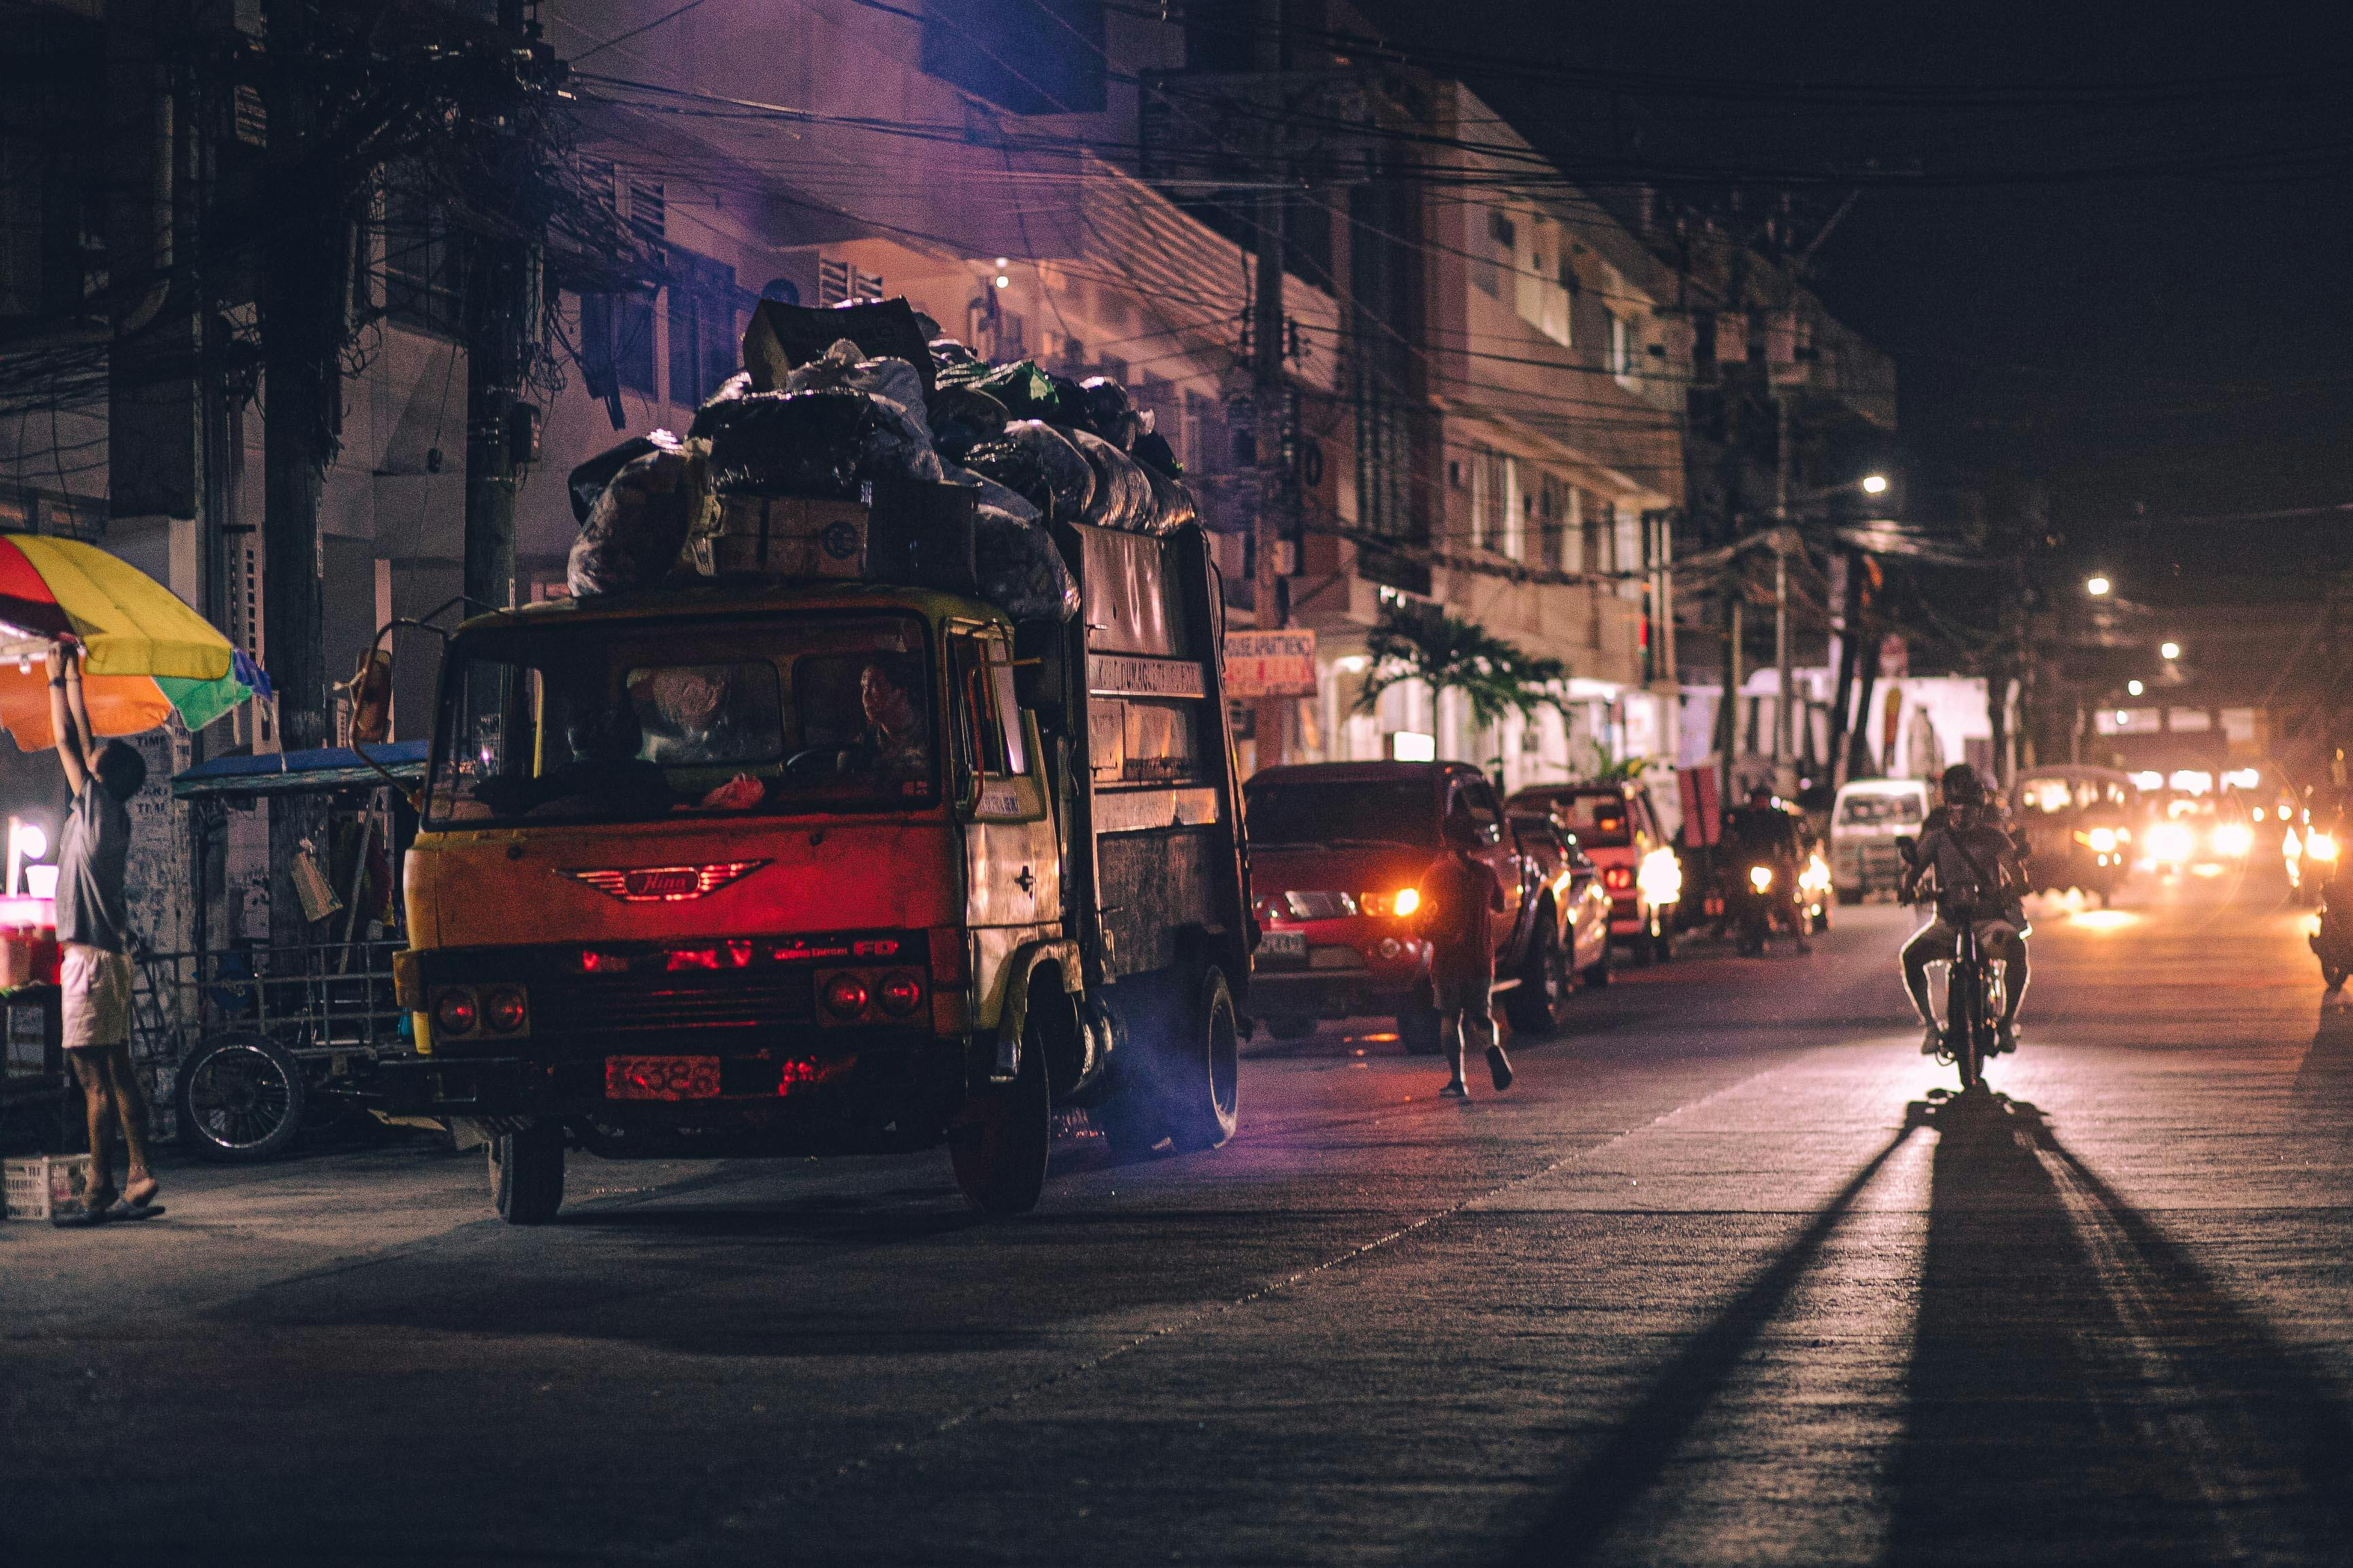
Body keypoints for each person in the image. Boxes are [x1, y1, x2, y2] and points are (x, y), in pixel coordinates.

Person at [44, 643, 162, 1226]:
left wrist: (62, 676)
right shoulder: (109, 814)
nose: (90, 759)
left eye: (99, 759)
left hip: (89, 960)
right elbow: (80, 745)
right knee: (118, 1067)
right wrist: (62, 675)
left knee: (91, 1077)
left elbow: (72, 738)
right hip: (109, 956)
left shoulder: (94, 805)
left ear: (101, 775)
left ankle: (99, 1189)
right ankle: (138, 1173)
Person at [1900, 763, 2032, 1056]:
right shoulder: (1935, 840)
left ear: (1980, 807)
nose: (1962, 814)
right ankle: (1931, 1027)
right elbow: (1913, 870)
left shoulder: (1995, 837)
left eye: (1969, 806)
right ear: (1947, 807)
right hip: (1948, 924)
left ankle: (2007, 1022)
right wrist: (1909, 887)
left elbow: (2014, 868)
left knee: (2016, 950)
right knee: (1910, 957)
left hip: (1988, 925)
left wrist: (2018, 883)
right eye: (1956, 806)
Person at [1420, 807, 1513, 1097]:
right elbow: (1500, 906)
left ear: (1445, 839)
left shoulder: (1435, 876)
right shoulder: (1485, 873)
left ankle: (1458, 1080)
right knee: (1482, 1016)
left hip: (1449, 960)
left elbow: (1418, 920)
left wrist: (1437, 932)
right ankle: (1492, 1049)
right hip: (1481, 959)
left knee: (1450, 1018)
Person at [1723, 782, 1811, 952]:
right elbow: (1735, 842)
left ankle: (1800, 940)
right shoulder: (1744, 819)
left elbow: (1787, 843)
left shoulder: (1777, 819)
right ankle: (1744, 938)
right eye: (1758, 800)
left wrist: (1788, 857)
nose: (1761, 803)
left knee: (1786, 902)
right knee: (1741, 902)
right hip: (1751, 867)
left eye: (1764, 800)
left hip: (1774, 866)